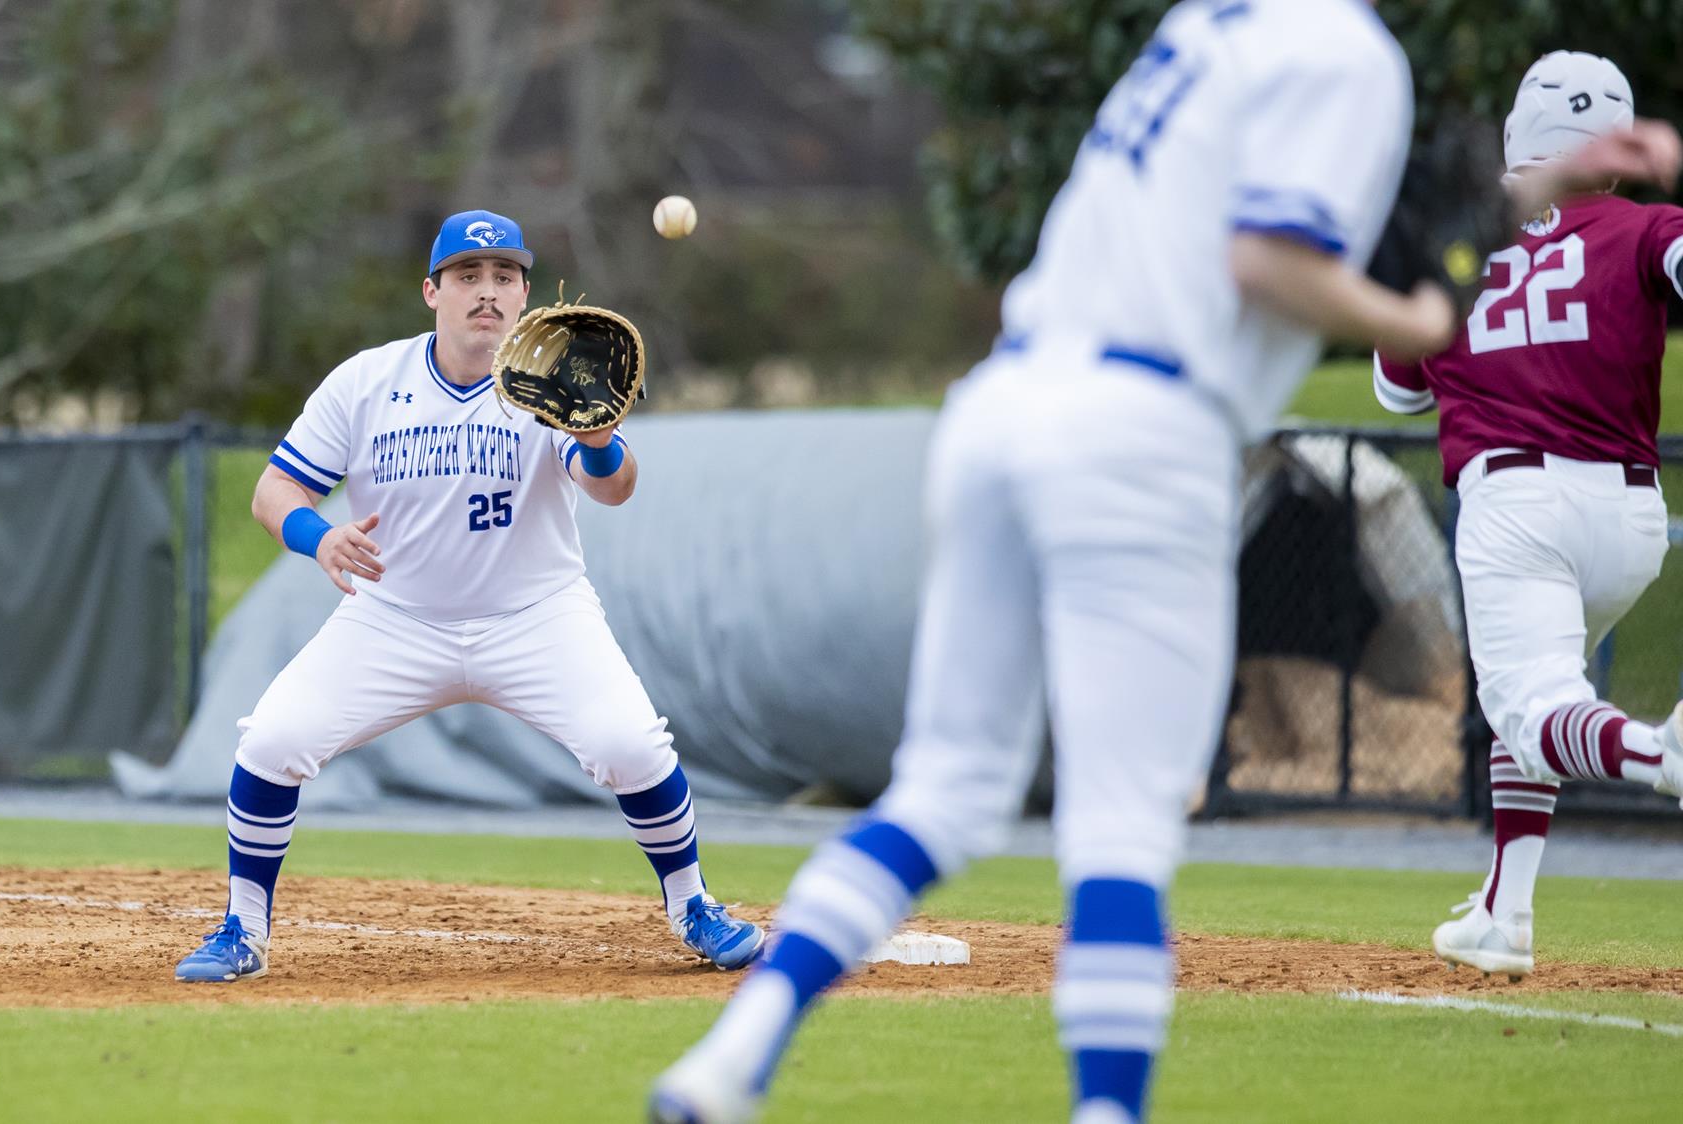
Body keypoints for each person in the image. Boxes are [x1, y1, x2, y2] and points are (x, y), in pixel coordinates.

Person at [646, 3, 1681, 1122]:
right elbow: (1268, 260)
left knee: (942, 788)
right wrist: (1412, 312)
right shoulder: (1344, 49)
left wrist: (1497, 230)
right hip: (1143, 430)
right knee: (1122, 831)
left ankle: (730, 1059)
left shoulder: (1203, 25)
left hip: (1002, 404)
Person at [173, 209, 763, 982]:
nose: (487, 292)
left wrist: (597, 437)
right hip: (396, 617)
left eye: (505, 277)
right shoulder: (366, 383)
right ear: (432, 291)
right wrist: (320, 538)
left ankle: (693, 906)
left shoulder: (549, 381)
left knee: (631, 745)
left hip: (536, 615)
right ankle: (243, 931)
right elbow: (274, 491)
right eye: (468, 277)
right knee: (272, 742)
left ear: (524, 296)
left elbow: (613, 488)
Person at [1369, 51, 1683, 980]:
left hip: (1515, 502)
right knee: (1534, 705)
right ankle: (1505, 913)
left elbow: (1396, 393)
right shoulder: (1644, 225)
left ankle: (1659, 755)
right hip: (1630, 520)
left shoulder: (1459, 243)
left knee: (1533, 703)